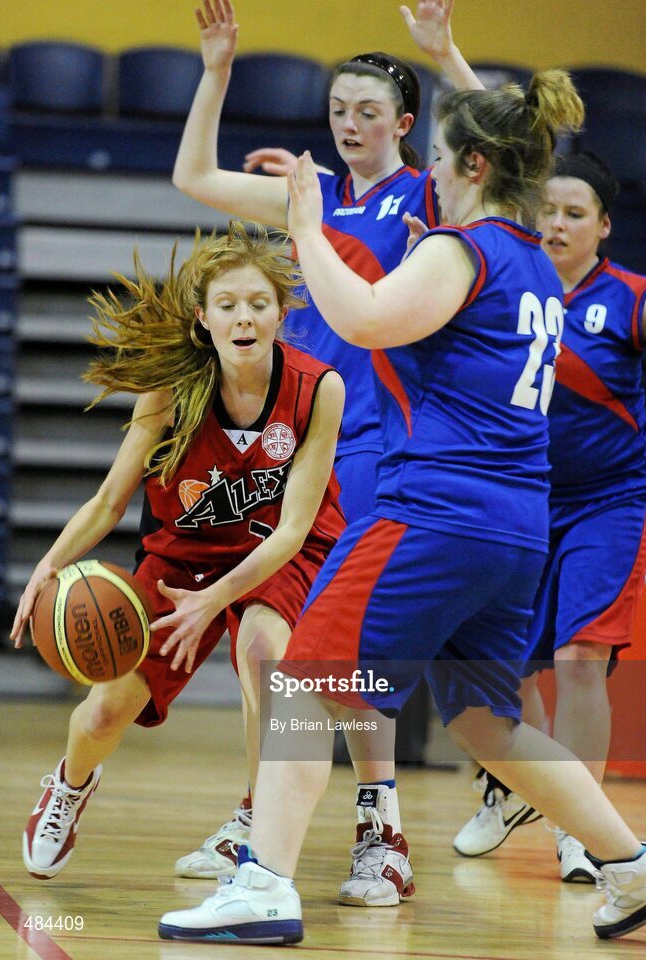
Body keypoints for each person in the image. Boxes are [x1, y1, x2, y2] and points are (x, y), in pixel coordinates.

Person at [158, 75, 646, 946]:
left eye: (437, 158)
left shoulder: (466, 249)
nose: (429, 172)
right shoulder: (531, 259)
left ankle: (263, 885)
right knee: (481, 718)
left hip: (437, 512)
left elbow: (367, 319)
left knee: (309, 672)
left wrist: (307, 230)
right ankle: (630, 866)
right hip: (516, 527)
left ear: (474, 162)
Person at [169, 0, 479, 905]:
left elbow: (506, 153)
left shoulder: (426, 197)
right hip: (303, 448)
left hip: (384, 449)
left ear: (406, 123)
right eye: (339, 107)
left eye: (369, 109)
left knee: (348, 650)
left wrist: (445, 55)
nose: (350, 123)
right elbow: (190, 176)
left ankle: (379, 830)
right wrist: (216, 73)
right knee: (276, 647)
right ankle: (264, 813)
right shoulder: (311, 198)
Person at [10, 221, 345, 880]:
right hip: (182, 555)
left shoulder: (318, 390)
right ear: (204, 316)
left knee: (262, 653)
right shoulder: (169, 388)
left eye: (257, 303)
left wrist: (216, 601)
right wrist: (48, 565)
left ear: (281, 311)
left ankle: (256, 826)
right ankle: (70, 784)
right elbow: (109, 502)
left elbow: (293, 532)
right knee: (106, 710)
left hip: (280, 552)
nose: (244, 317)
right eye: (228, 305)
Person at [453, 151, 646, 882]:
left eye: (575, 213)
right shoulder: (503, 286)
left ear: (603, 226)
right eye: (548, 210)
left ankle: (584, 829)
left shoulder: (629, 297)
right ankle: (521, 790)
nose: (558, 223)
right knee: (505, 670)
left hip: (610, 502)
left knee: (580, 659)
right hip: (519, 497)